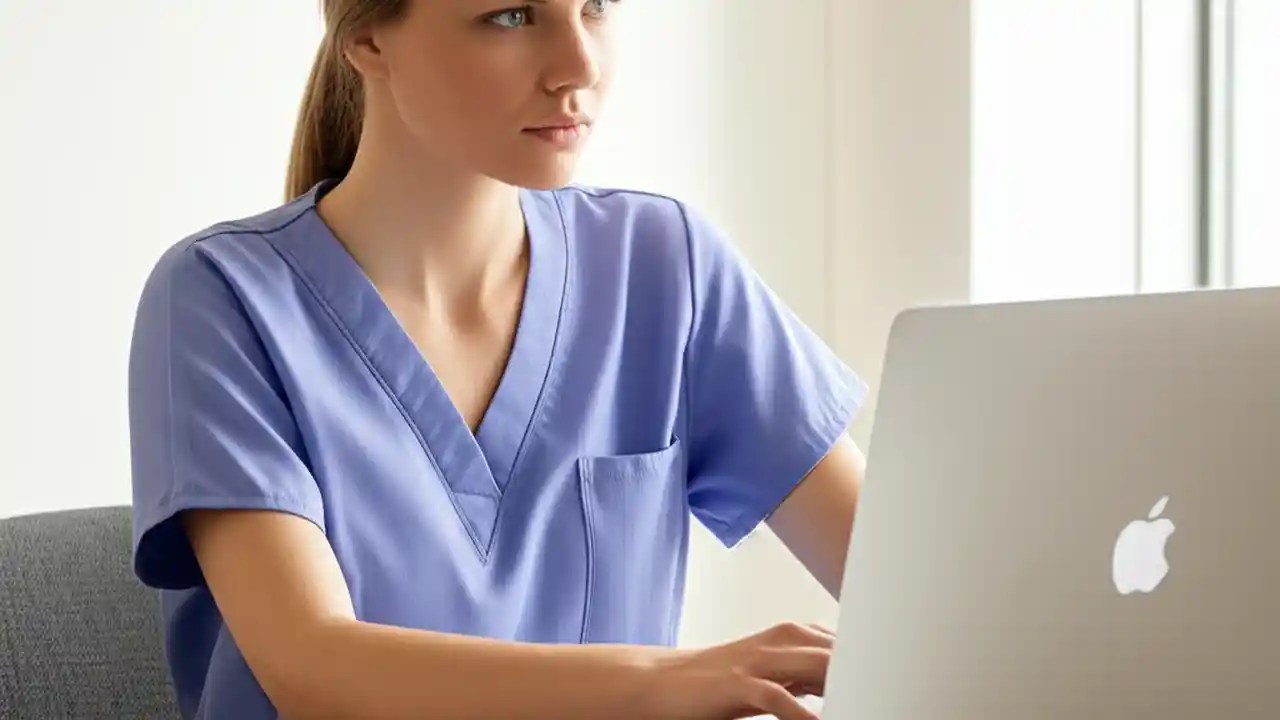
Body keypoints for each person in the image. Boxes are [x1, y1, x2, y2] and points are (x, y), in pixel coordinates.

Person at [127, 1, 871, 718]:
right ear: (368, 40)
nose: (577, 65)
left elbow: (908, 583)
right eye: (511, 17)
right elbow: (313, 669)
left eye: (597, 6)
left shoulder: (662, 264)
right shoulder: (221, 300)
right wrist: (678, 679)